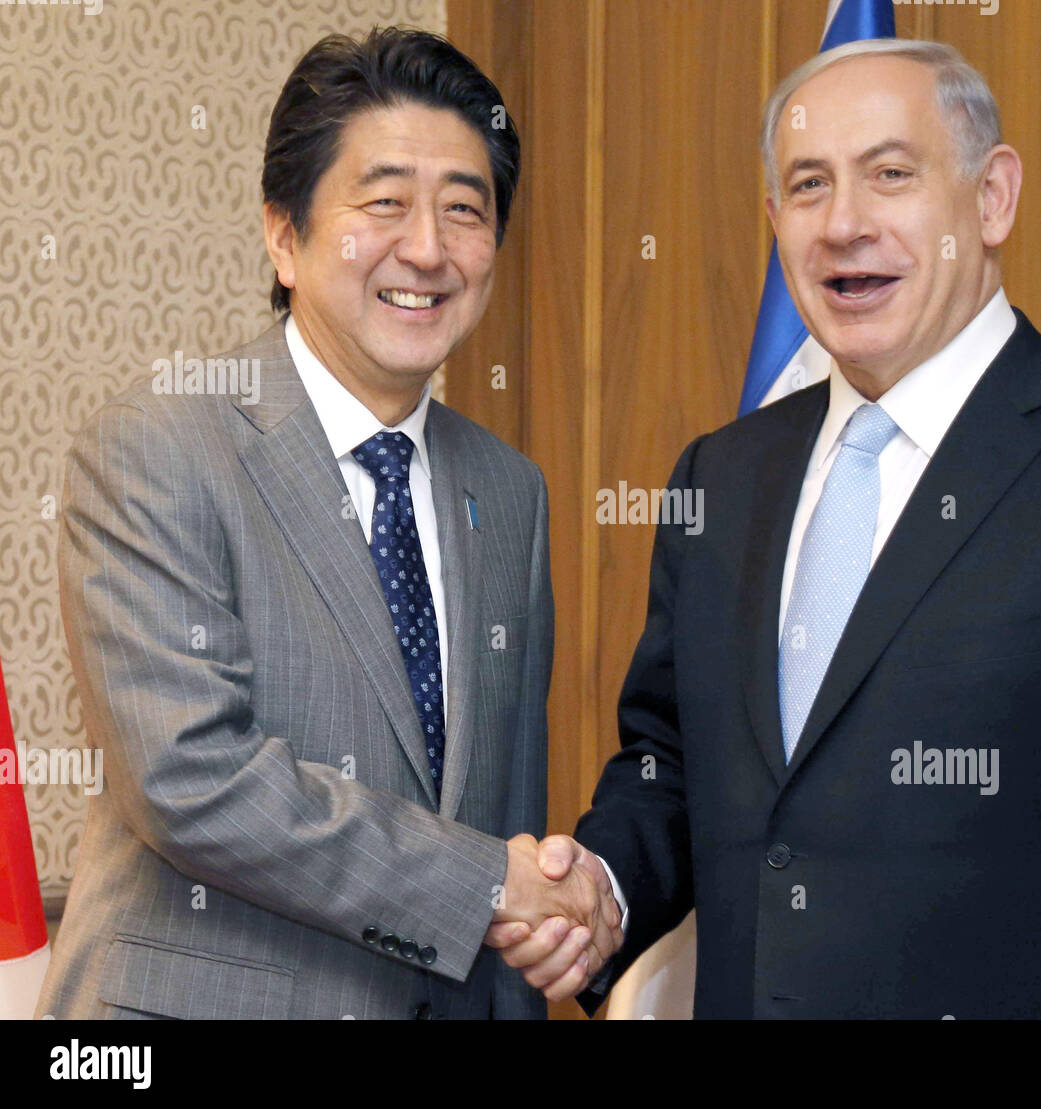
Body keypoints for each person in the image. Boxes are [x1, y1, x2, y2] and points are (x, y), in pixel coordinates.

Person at [488, 38, 1041, 1018]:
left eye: (890, 175)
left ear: (992, 198)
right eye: (808, 186)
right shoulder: (723, 476)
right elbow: (673, 762)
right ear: (775, 220)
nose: (844, 225)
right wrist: (601, 890)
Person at [37, 27, 620, 1021]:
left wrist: (557, 920)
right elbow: (192, 777)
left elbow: (499, 804)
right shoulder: (158, 444)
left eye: (465, 210)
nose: (427, 248)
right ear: (283, 235)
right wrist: (491, 883)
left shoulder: (509, 489)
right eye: (383, 201)